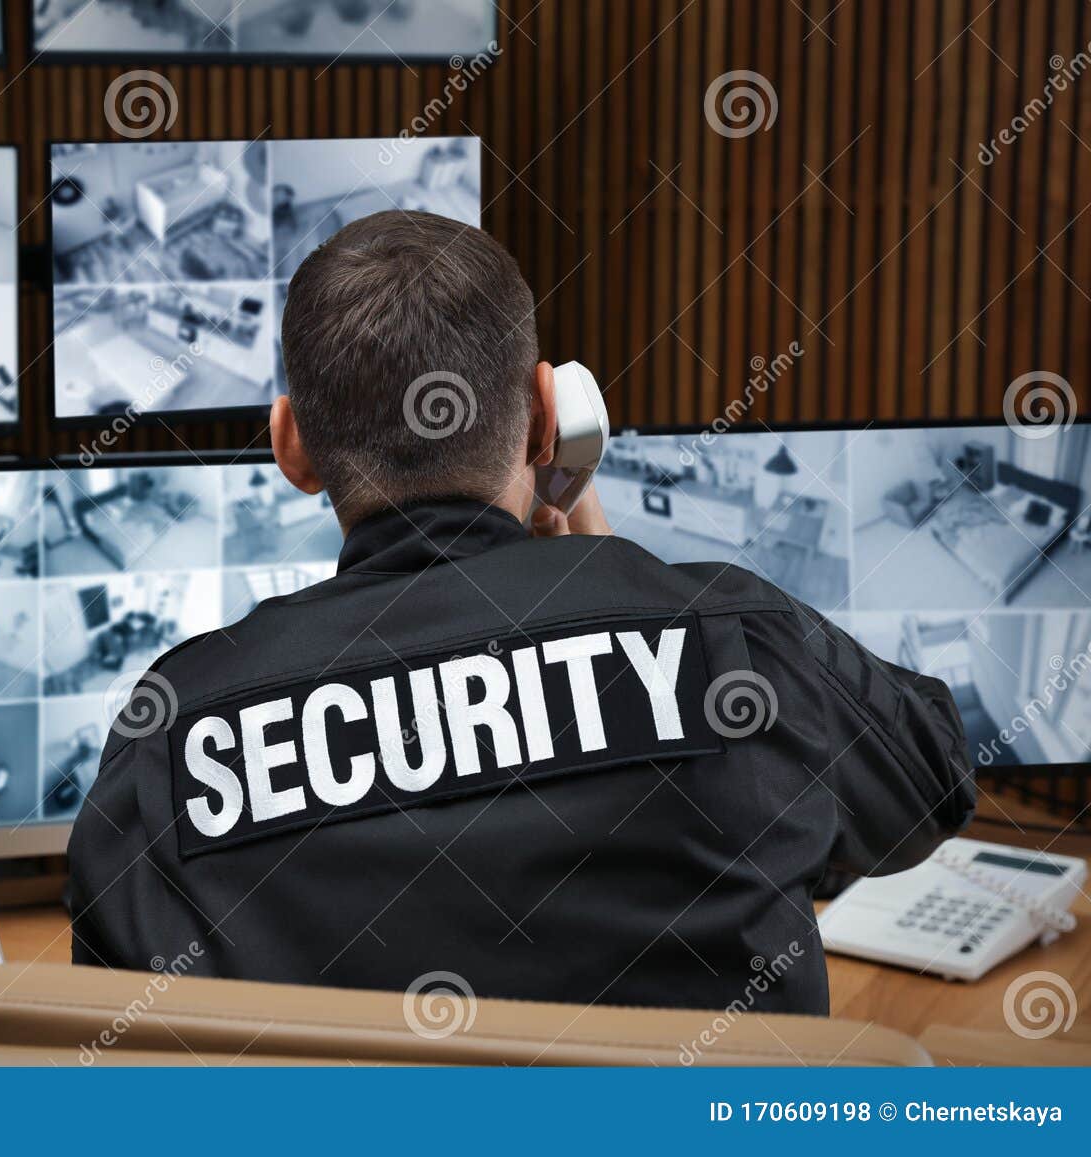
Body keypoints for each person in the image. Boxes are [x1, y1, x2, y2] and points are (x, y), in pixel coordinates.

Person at [67, 210, 974, 1014]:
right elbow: (932, 775)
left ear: (291, 444)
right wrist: (623, 577)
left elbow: (109, 1040)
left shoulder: (174, 734)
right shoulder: (729, 639)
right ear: (551, 422)